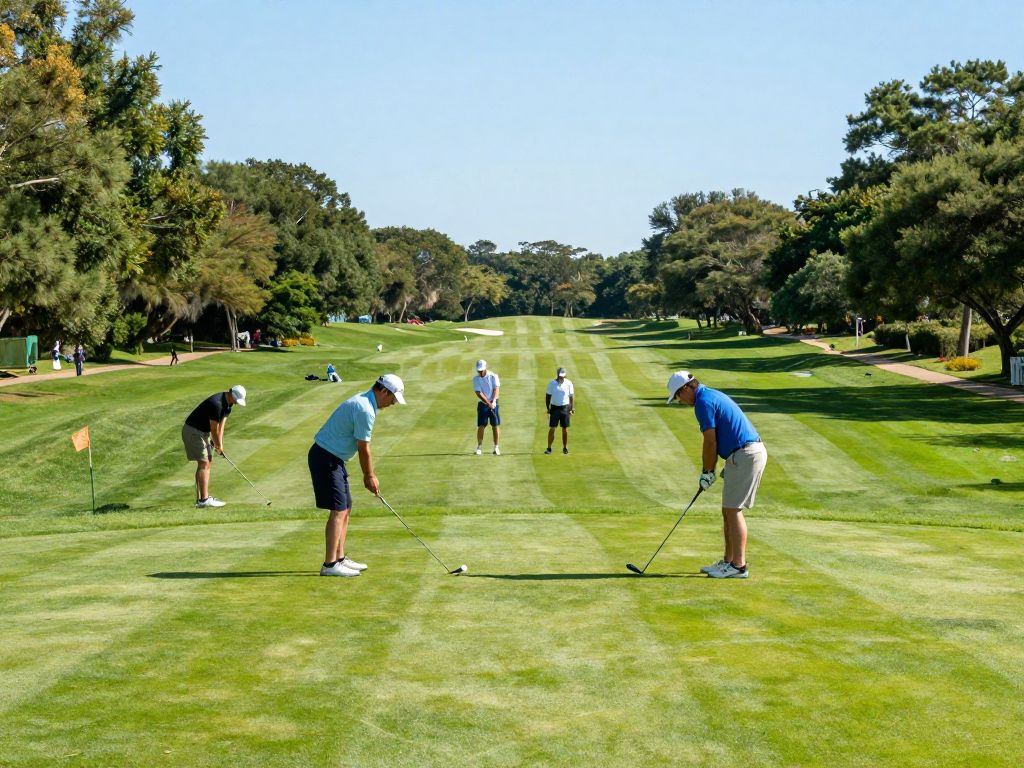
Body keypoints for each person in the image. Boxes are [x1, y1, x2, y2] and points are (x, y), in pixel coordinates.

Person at [666, 371, 767, 579]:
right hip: (740, 454)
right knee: (727, 510)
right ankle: (728, 562)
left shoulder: (703, 403)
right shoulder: (708, 395)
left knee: (733, 510)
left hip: (746, 454)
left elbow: (710, 441)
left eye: (678, 396)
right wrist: (709, 471)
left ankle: (739, 566)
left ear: (686, 388)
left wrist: (707, 471)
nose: (679, 401)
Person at [309, 374, 406, 577]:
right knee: (338, 510)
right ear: (384, 391)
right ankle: (329, 564)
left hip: (333, 459)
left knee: (346, 507)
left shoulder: (366, 402)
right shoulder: (365, 409)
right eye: (392, 399)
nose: (393, 404)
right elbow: (364, 449)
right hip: (325, 458)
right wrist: (369, 476)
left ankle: (340, 558)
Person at [181, 385, 247, 508]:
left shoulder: (228, 405)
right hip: (193, 431)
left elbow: (221, 426)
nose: (237, 404)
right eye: (236, 401)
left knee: (206, 462)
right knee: (204, 463)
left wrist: (220, 444)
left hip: (202, 432)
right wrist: (216, 444)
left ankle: (201, 499)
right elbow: (213, 429)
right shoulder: (216, 404)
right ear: (231, 394)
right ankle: (204, 500)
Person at [544, 367, 575, 454]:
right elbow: (548, 396)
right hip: (554, 408)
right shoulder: (552, 383)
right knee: (552, 428)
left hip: (565, 408)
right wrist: (548, 409)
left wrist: (571, 409)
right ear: (557, 374)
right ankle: (549, 448)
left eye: (563, 376)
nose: (561, 377)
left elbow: (571, 397)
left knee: (565, 428)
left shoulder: (569, 383)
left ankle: (565, 448)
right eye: (560, 376)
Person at [473, 359, 500, 455]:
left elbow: (496, 388)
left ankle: (496, 447)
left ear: (485, 368)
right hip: (482, 404)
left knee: (495, 425)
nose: (480, 372)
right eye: (478, 371)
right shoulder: (476, 379)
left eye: (481, 370)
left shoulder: (493, 376)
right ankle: (479, 447)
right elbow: (478, 393)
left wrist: (494, 401)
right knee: (481, 425)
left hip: (494, 403)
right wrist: (488, 403)